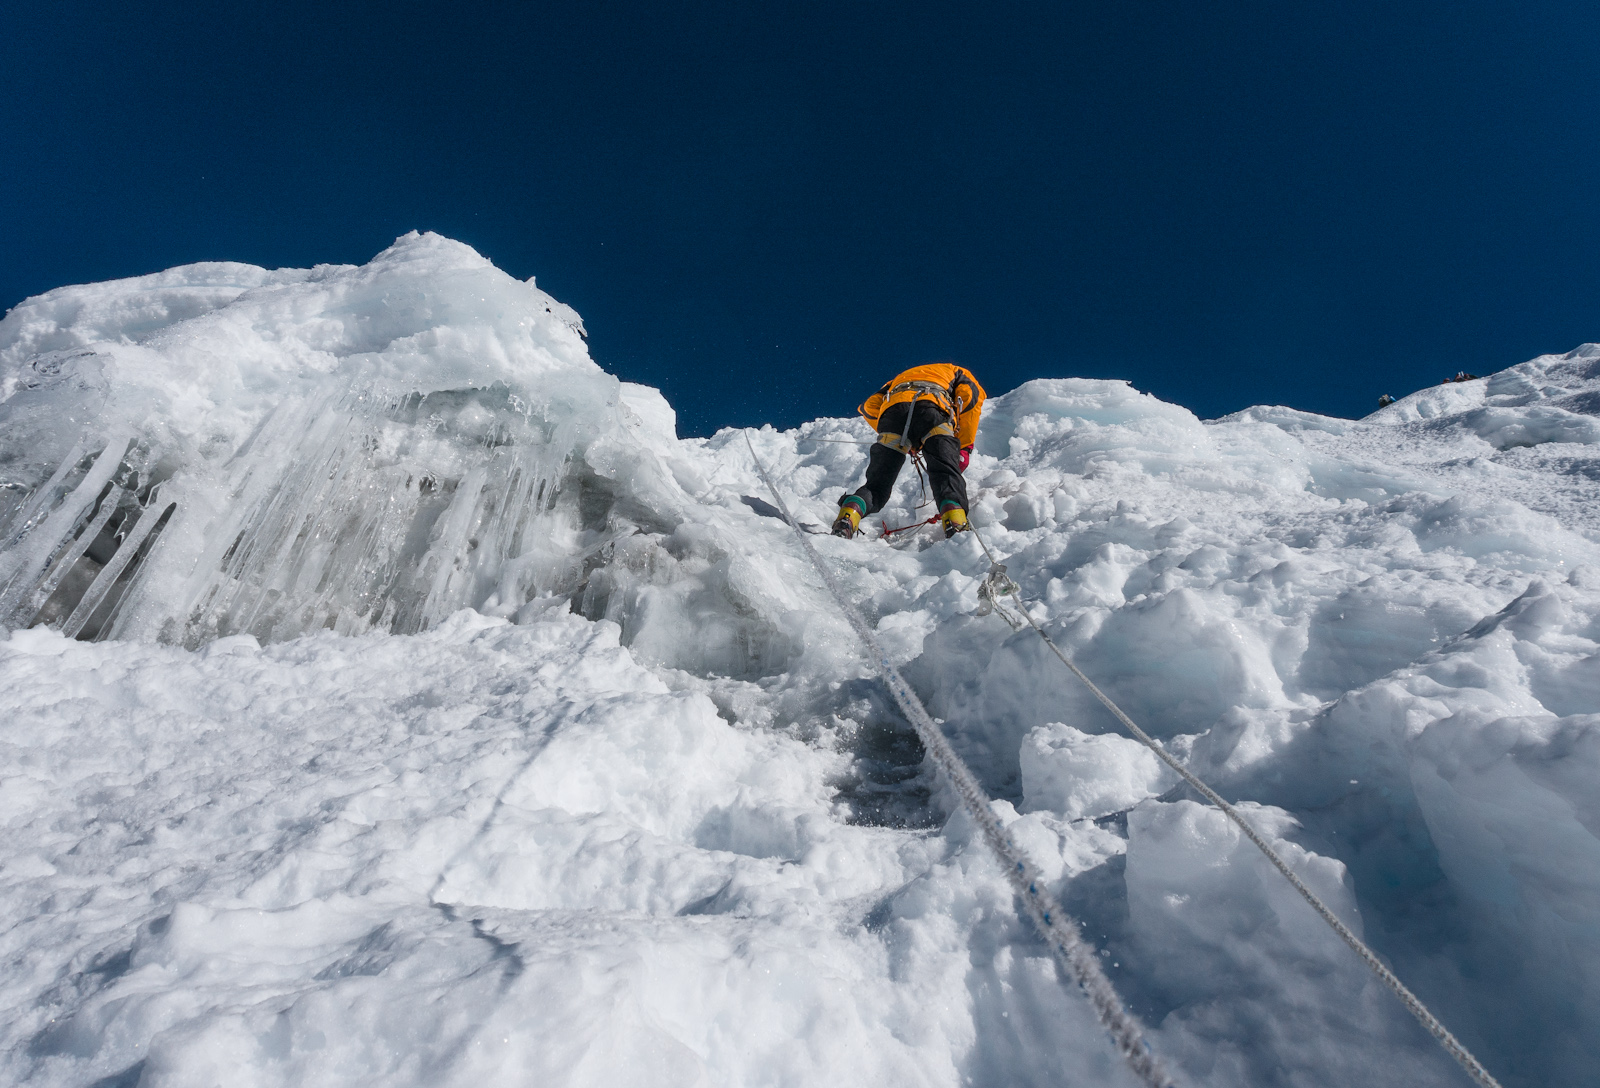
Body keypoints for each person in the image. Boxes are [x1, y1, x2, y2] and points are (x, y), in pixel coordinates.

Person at [832, 362, 986, 540]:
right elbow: (970, 397)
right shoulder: (957, 371)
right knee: (946, 475)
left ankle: (848, 515)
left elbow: (869, 407)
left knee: (877, 485)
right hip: (933, 409)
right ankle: (956, 527)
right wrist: (964, 445)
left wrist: (897, 436)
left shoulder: (897, 380)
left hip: (893, 413)